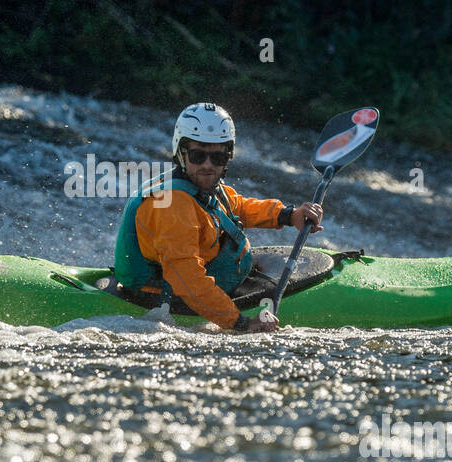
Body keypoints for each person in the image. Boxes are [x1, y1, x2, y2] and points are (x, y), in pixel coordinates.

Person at [113, 102, 323, 333]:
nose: (208, 165)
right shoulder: (172, 205)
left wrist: (288, 215)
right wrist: (241, 323)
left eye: (218, 158)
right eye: (198, 155)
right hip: (169, 296)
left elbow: (237, 207)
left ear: (228, 157)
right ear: (181, 153)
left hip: (196, 275)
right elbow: (188, 280)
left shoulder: (201, 186)